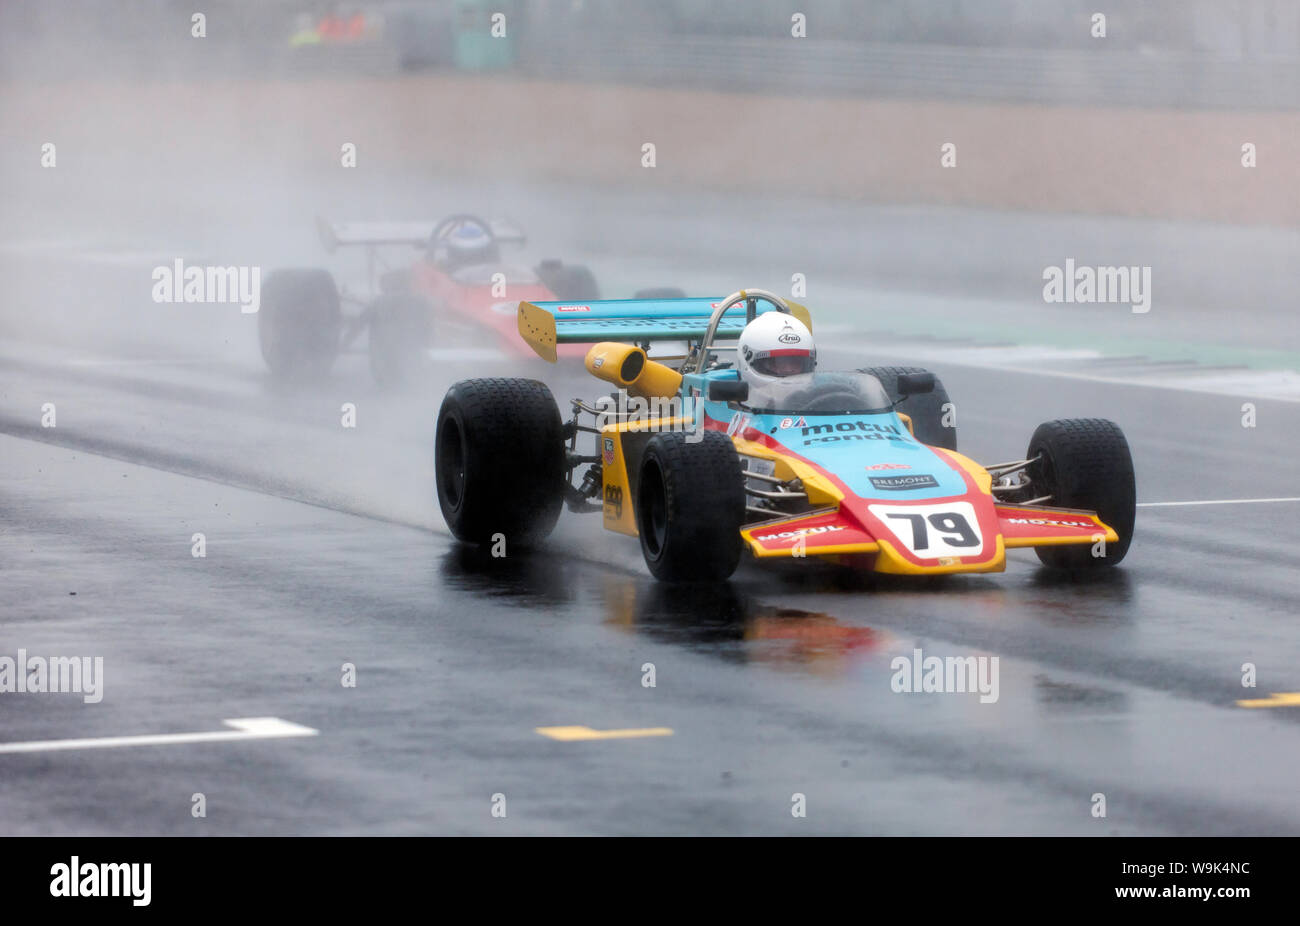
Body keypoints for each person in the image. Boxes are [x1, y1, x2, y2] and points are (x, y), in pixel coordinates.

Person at [735, 312, 816, 383]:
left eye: (795, 363)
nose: (788, 370)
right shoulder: (730, 399)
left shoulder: (818, 398)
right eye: (776, 364)